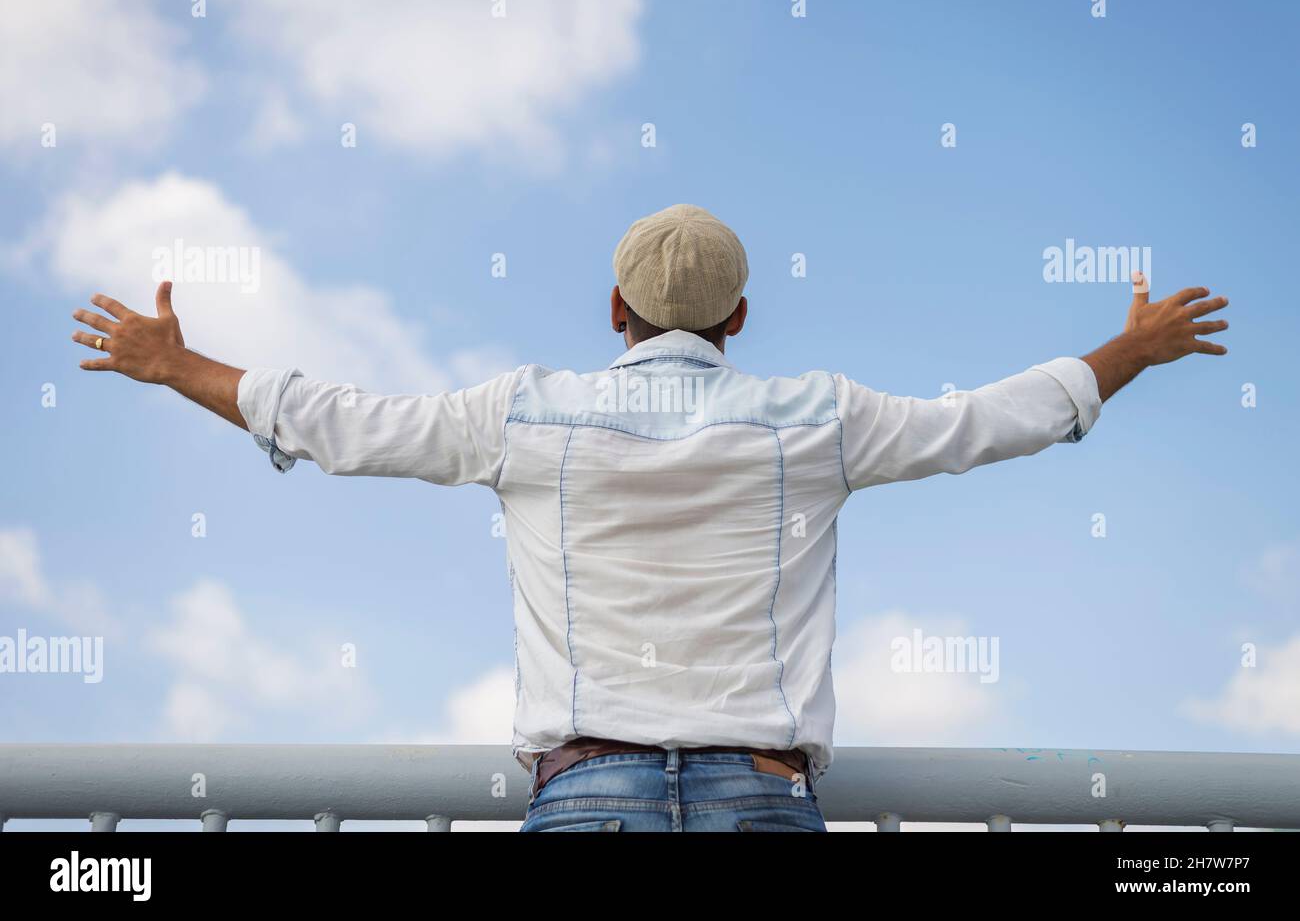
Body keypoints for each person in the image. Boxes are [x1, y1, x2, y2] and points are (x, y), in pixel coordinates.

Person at [70, 204, 1229, 832]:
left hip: (586, 796)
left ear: (613, 308)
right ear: (739, 317)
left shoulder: (525, 414)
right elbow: (987, 420)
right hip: (762, 796)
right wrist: (1127, 349)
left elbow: (341, 421)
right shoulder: (818, 419)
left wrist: (179, 367)